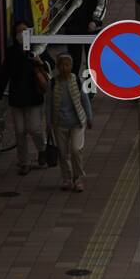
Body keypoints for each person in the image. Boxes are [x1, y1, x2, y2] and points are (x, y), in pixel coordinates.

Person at [0, 23, 51, 174]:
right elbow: (4, 74)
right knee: (19, 131)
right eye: (18, 31)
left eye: (25, 30)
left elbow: (50, 65)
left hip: (34, 95)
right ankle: (23, 162)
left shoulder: (37, 48)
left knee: (34, 128)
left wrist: (40, 61)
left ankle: (42, 150)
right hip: (17, 97)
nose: (22, 34)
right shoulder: (12, 51)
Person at [47, 53, 94, 192]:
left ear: (71, 66)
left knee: (75, 150)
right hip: (59, 123)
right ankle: (67, 178)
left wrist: (89, 117)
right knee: (63, 152)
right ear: (57, 67)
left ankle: (78, 177)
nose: (64, 68)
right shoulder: (53, 83)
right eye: (61, 65)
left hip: (77, 123)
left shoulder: (77, 81)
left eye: (67, 65)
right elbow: (48, 104)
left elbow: (85, 100)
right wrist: (48, 123)